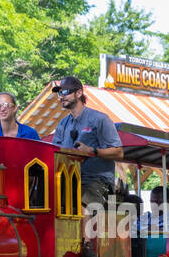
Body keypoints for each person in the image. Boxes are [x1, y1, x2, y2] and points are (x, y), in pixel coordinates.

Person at [49, 76, 123, 208]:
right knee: (44, 201)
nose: (61, 96)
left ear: (79, 93)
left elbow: (119, 152)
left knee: (81, 207)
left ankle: (84, 228)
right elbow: (54, 154)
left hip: (96, 182)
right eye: (60, 93)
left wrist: (92, 151)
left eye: (65, 92)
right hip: (67, 181)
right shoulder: (62, 124)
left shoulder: (100, 119)